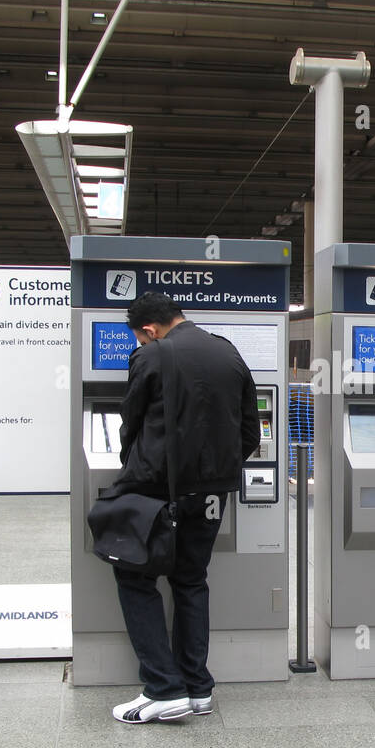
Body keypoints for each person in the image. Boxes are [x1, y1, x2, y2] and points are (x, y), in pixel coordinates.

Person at [110, 291, 259, 724]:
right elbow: (249, 429)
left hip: (159, 490)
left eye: (140, 338)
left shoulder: (152, 357)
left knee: (134, 574)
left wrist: (134, 470)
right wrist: (216, 472)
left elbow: (130, 427)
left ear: (149, 330)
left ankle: (162, 687)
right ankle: (197, 688)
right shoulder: (227, 352)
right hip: (213, 493)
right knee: (191, 579)